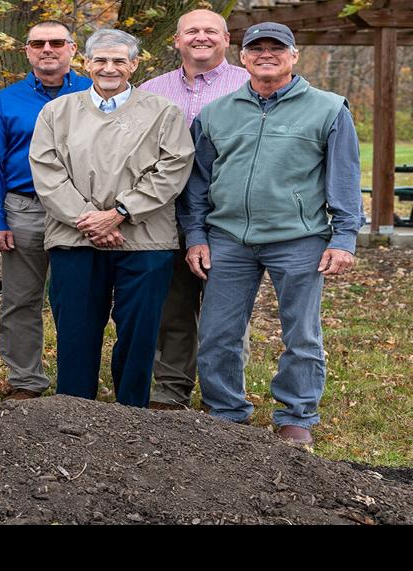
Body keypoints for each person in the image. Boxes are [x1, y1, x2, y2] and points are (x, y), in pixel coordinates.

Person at [181, 22, 361, 449]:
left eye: (275, 48)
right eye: (255, 48)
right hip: (227, 237)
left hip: (299, 239)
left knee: (301, 333)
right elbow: (197, 183)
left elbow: (345, 179)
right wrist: (196, 235)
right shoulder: (216, 113)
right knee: (218, 332)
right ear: (242, 57)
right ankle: (225, 412)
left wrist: (344, 238)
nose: (266, 54)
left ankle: (296, 415)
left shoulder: (328, 109)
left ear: (293, 55)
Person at [29, 28, 193, 408]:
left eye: (120, 60)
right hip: (75, 237)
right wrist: (89, 219)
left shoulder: (163, 112)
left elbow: (173, 167)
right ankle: (72, 409)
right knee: (76, 330)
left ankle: (132, 411)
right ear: (86, 63)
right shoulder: (57, 112)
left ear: (134, 65)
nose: (110, 68)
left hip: (144, 238)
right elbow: (47, 171)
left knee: (139, 333)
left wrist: (119, 213)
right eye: (101, 60)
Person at [137, 8, 249, 411]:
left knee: (226, 309)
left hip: (225, 214)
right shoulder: (150, 90)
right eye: (192, 31)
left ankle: (223, 393)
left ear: (226, 39)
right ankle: (170, 388)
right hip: (162, 212)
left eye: (210, 31)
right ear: (177, 40)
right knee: (173, 305)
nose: (201, 37)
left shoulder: (249, 86)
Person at [0, 20, 90, 402]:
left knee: (77, 299)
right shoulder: (5, 101)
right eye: (38, 43)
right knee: (21, 300)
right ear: (26, 50)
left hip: (82, 211)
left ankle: (76, 384)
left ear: (73, 49)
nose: (48, 49)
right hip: (25, 209)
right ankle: (25, 381)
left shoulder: (94, 94)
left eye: (57, 42)